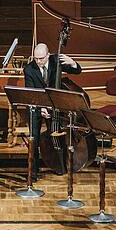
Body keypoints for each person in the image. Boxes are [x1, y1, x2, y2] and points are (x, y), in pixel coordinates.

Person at [23, 43, 82, 177]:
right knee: (34, 138)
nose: (38, 61)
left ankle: (61, 163)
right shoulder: (29, 69)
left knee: (56, 133)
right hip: (37, 106)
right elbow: (33, 92)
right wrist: (41, 107)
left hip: (56, 105)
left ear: (48, 55)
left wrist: (73, 63)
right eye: (36, 58)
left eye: (41, 58)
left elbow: (78, 71)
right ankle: (33, 171)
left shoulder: (56, 60)